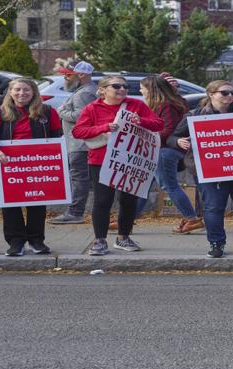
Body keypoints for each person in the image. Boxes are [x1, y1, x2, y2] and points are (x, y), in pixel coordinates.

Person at [173, 80, 233, 258]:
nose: (230, 96)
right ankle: (216, 243)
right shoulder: (194, 116)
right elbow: (172, 138)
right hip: (210, 170)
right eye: (224, 93)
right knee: (213, 208)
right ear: (211, 94)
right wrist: (178, 141)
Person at [70, 74, 163, 256]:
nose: (122, 89)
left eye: (125, 86)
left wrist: (141, 121)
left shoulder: (136, 105)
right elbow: (78, 131)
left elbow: (159, 124)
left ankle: (123, 237)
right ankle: (100, 240)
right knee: (102, 200)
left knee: (129, 201)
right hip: (101, 161)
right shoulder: (92, 108)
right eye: (116, 86)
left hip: (130, 161)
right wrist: (103, 127)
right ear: (103, 90)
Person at [0, 76, 60, 256]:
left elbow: (57, 135)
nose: (21, 93)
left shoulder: (48, 111)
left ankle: (36, 240)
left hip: (37, 164)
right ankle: (16, 242)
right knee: (11, 202)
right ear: (10, 92)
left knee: (37, 201)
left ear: (34, 92)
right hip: (7, 162)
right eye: (17, 89)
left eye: (26, 89)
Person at [140, 72, 202, 234]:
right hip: (162, 150)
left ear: (151, 90)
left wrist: (146, 138)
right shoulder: (166, 104)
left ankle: (192, 219)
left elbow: (170, 130)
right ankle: (126, 220)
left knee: (169, 186)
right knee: (142, 185)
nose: (140, 91)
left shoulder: (166, 106)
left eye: (142, 88)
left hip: (165, 151)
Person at [50, 60, 97, 224]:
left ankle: (75, 213)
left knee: (79, 179)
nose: (65, 78)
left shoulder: (85, 93)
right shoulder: (86, 90)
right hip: (81, 143)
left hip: (80, 144)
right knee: (83, 180)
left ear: (81, 75)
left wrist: (61, 111)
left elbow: (81, 117)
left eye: (68, 75)